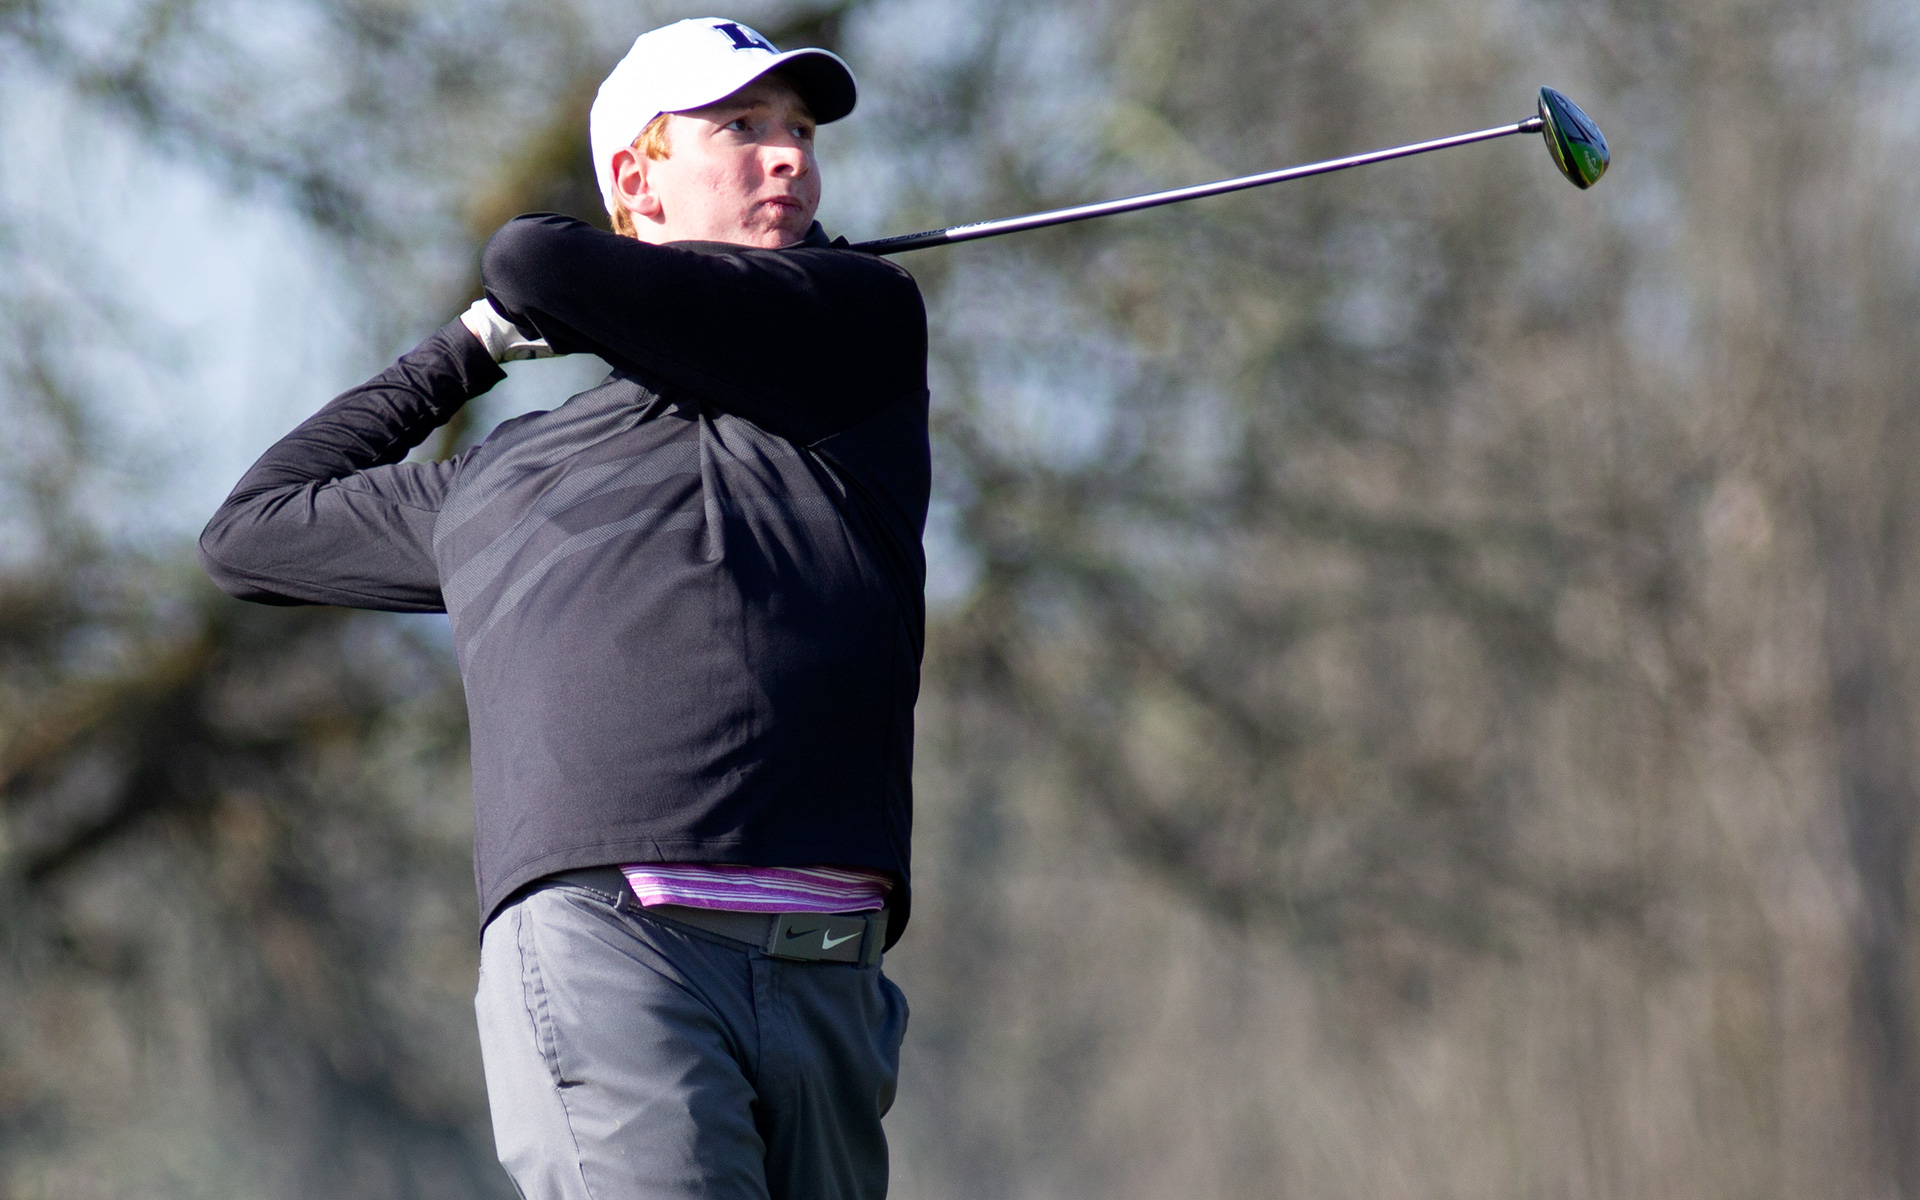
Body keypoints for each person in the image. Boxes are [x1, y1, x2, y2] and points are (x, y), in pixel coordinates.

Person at [198, 17, 928, 1200]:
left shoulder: (859, 335)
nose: (789, 157)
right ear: (636, 179)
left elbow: (548, 265)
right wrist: (469, 348)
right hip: (613, 953)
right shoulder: (500, 479)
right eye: (741, 129)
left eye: (798, 131)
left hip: (832, 973)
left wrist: (596, 295)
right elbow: (251, 530)